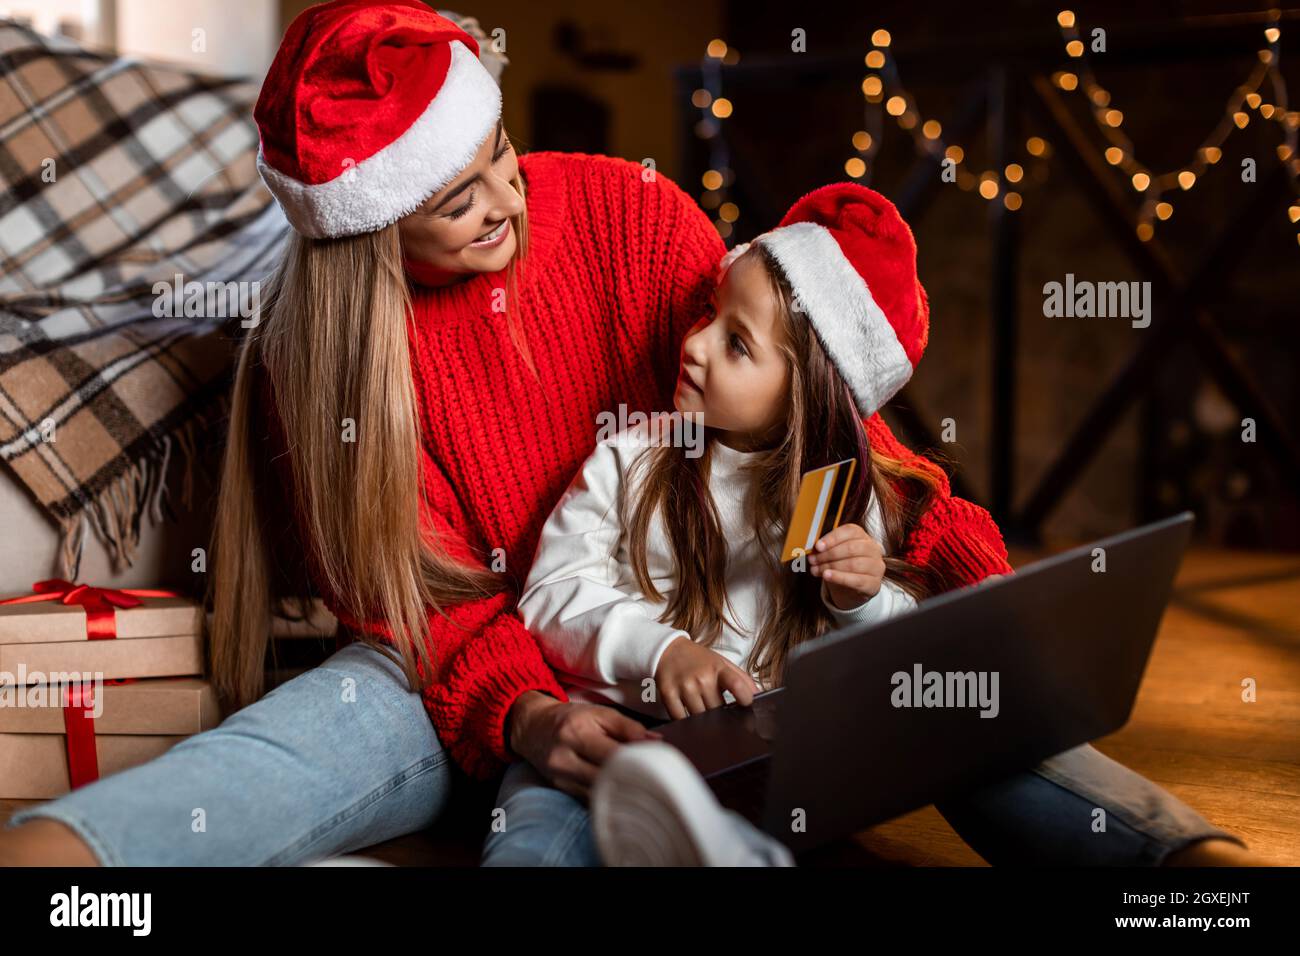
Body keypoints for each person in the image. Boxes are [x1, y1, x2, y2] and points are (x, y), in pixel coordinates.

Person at [0, 1, 1261, 869]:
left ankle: (1185, 869)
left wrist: (936, 578)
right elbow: (420, 620)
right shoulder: (324, 365)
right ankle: (60, 861)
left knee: (950, 692)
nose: (507, 201)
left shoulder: (621, 210)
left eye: (498, 154)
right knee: (317, 740)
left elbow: (810, 399)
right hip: (479, 673)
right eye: (455, 200)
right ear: (370, 224)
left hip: (719, 630)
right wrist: (533, 718)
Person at [480, 184, 1263, 868]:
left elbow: (883, 671)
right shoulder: (631, 457)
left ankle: (1186, 860)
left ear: (806, 395)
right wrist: (661, 652)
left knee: (973, 731)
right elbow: (553, 592)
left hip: (777, 767)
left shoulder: (839, 499)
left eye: (736, 342)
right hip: (623, 733)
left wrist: (866, 599)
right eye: (713, 316)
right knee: (537, 823)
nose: (693, 344)